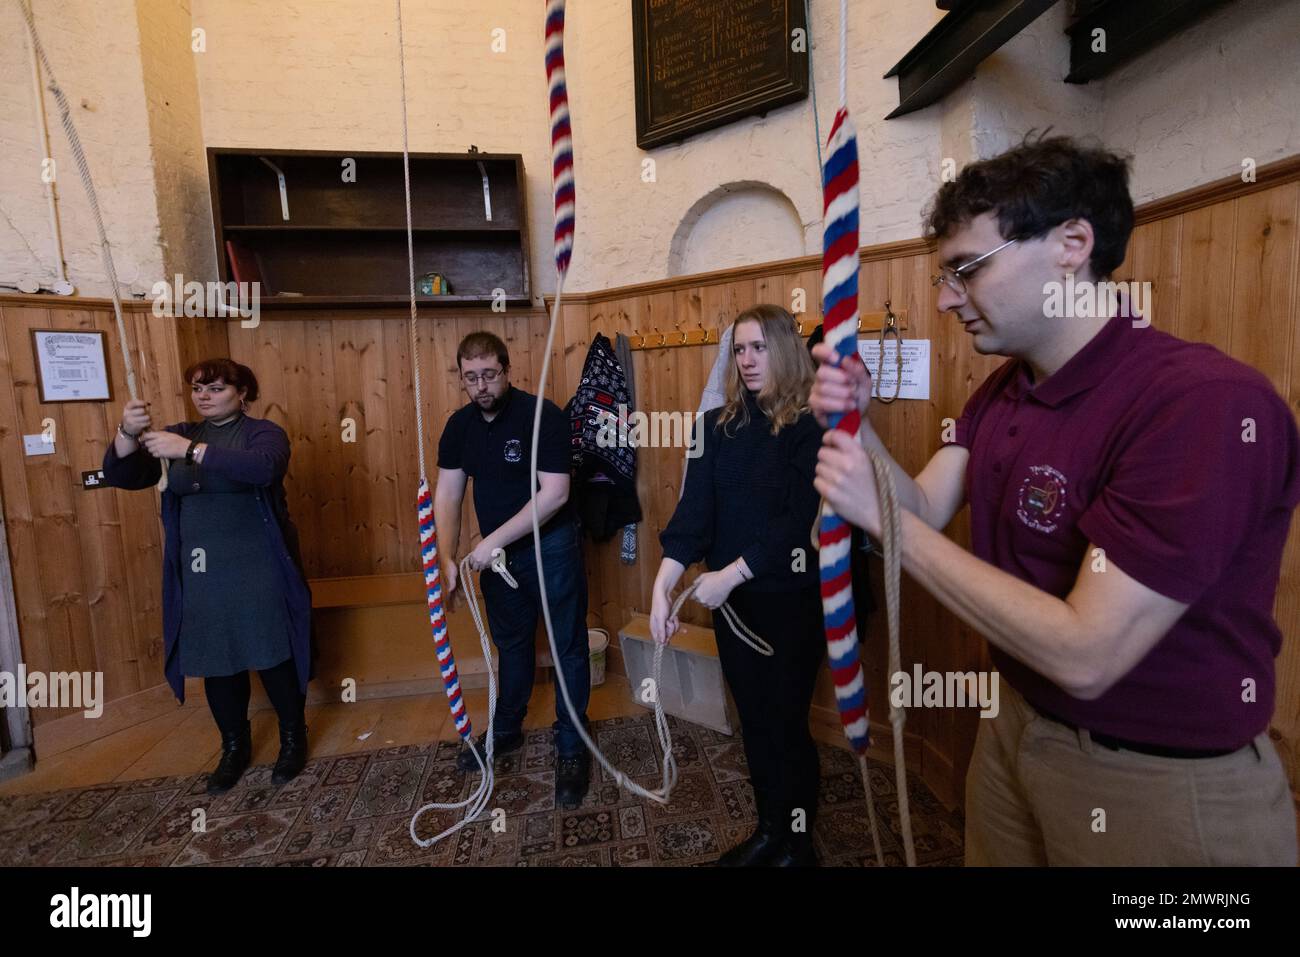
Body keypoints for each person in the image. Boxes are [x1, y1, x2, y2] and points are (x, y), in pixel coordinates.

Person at [811, 135, 1300, 865]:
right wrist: (862, 426)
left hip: (1161, 780)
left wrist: (882, 519)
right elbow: (919, 505)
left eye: (964, 270)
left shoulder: (1204, 402)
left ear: (1072, 244)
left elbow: (1086, 654)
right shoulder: (1005, 390)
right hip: (1015, 727)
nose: (945, 299)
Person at [651, 304, 826, 867]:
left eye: (759, 347)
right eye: (740, 349)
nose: (747, 360)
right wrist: (663, 584)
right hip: (734, 609)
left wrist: (730, 574)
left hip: (789, 603)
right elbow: (693, 514)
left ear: (784, 350)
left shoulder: (810, 425)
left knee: (785, 722)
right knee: (753, 718)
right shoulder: (713, 427)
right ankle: (769, 831)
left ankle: (797, 845)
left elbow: (797, 520)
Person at [104, 359, 313, 794]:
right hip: (200, 571)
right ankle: (233, 748)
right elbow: (123, 474)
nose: (203, 395)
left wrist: (189, 451)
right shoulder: (181, 432)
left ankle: (293, 738)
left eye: (215, 388)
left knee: (272, 653)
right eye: (198, 388)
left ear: (242, 393)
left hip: (258, 566)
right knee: (218, 663)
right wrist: (127, 431)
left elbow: (263, 469)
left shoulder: (262, 433)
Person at [435, 332, 592, 808]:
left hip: (552, 546)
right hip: (496, 559)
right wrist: (446, 555)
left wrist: (489, 542)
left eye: (489, 375)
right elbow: (449, 493)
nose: (481, 386)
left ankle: (572, 748)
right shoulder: (459, 426)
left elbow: (556, 493)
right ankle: (506, 730)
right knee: (511, 645)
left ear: (507, 370)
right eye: (471, 377)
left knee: (566, 646)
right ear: (461, 377)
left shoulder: (540, 414)